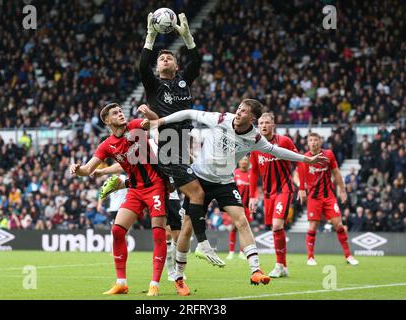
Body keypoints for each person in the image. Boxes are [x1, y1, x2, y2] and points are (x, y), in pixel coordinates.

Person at [147, 98, 328, 295]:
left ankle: (255, 270)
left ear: (252, 118)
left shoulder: (255, 138)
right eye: (239, 109)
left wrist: (306, 159)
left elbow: (277, 150)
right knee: (188, 227)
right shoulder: (220, 119)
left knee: (242, 220)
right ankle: (179, 278)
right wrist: (161, 122)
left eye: (244, 112)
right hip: (199, 180)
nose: (239, 112)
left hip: (224, 182)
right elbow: (190, 113)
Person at [140, 12, 224, 273]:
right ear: (158, 67)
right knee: (198, 193)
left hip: (184, 145)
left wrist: (188, 38)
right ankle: (203, 244)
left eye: (169, 58)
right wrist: (151, 36)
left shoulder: (183, 81)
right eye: (161, 58)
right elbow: (143, 65)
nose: (164, 59)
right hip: (168, 144)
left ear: (176, 66)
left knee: (180, 210)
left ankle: (176, 265)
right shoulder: (154, 85)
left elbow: (197, 61)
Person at [70, 102, 167, 297]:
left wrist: (149, 113)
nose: (121, 114)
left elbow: (156, 122)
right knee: (117, 230)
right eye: (115, 113)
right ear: (107, 120)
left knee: (158, 234)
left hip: (156, 185)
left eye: (121, 111)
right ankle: (121, 283)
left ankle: (154, 283)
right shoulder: (107, 145)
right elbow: (88, 170)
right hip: (135, 189)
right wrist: (77, 169)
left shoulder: (136, 126)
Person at [298, 133, 359, 266]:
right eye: (311, 140)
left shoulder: (329, 154)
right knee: (313, 226)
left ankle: (348, 256)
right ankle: (310, 257)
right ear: (308, 143)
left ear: (320, 142)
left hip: (328, 196)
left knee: (338, 224)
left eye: (316, 140)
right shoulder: (305, 158)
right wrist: (301, 189)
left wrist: (342, 190)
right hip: (313, 197)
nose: (313, 143)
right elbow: (300, 174)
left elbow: (336, 173)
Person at [248, 112, 297, 278]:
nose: (263, 125)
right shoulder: (255, 145)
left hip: (284, 189)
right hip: (268, 194)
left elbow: (298, 160)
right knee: (276, 228)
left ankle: (278, 265)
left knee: (277, 225)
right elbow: (254, 171)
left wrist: (301, 185)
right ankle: (284, 266)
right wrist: (253, 195)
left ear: (273, 125)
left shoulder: (284, 141)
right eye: (261, 123)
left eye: (267, 122)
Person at [227, 156, 252, 260]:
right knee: (233, 227)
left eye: (246, 160)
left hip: (247, 206)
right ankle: (231, 252)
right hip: (236, 205)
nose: (244, 161)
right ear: (239, 161)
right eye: (242, 159)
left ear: (248, 162)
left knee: (244, 229)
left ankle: (242, 252)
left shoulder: (252, 174)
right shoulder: (234, 173)